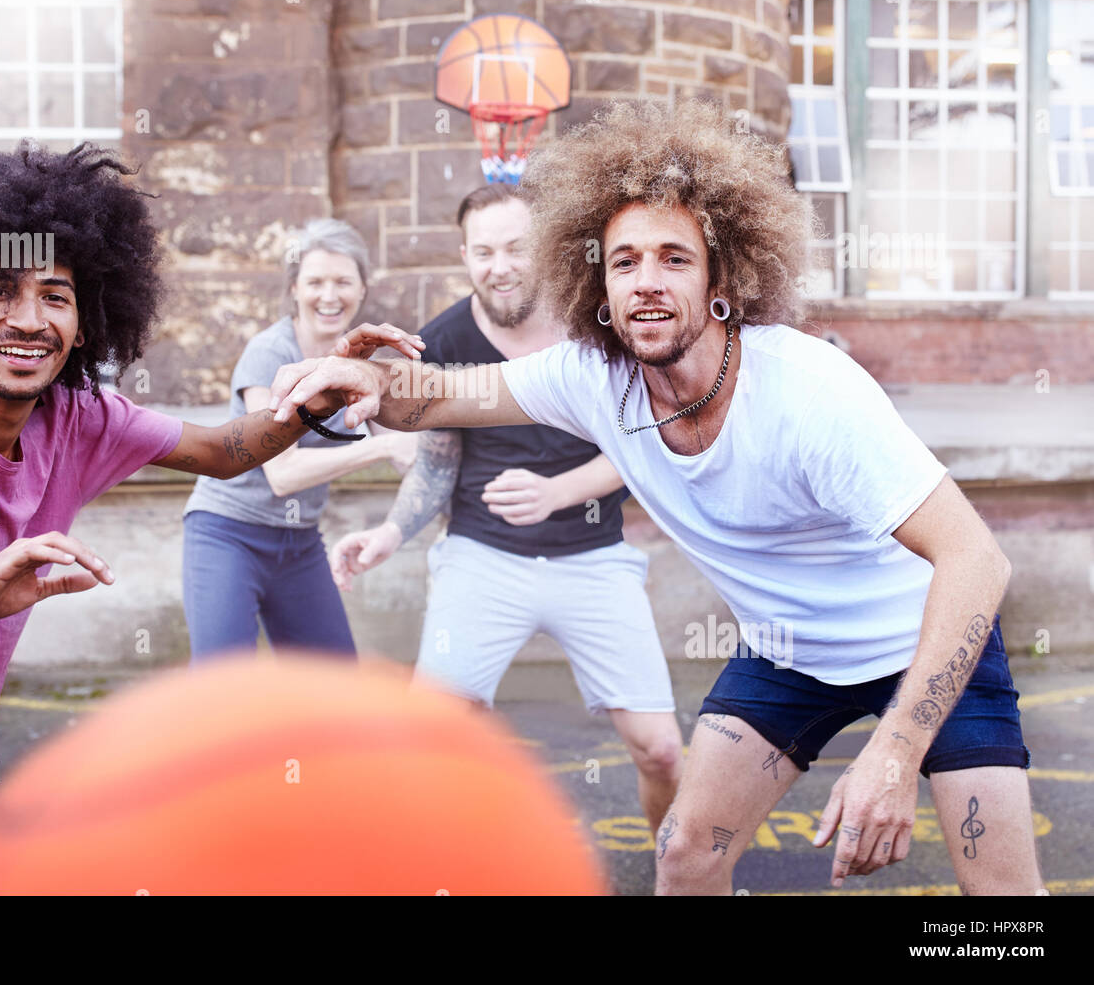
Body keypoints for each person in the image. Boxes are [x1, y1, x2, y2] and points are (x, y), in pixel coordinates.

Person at [269, 99, 1042, 897]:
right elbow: (434, 395)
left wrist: (895, 752)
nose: (646, 282)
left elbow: (977, 559)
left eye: (675, 258)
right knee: (684, 856)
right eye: (624, 261)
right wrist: (362, 377)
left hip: (927, 645)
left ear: (721, 279)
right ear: (597, 286)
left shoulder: (809, 393)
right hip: (788, 655)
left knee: (1003, 901)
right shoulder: (590, 377)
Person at [0, 143, 418, 896]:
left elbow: (224, 450)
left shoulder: (81, 420)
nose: (29, 320)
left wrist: (318, 394)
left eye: (55, 296)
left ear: (85, 324)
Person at [328, 183, 682, 835]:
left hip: (593, 557)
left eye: (517, 248)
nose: (501, 266)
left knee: (661, 751)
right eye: (484, 251)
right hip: (482, 558)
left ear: (543, 246)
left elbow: (645, 444)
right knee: (430, 740)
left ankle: (680, 870)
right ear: (465, 255)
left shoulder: (598, 328)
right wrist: (392, 533)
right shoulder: (439, 342)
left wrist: (559, 492)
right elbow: (437, 464)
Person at [181, 219, 416, 658]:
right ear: (294, 289)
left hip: (300, 540)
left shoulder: (363, 362)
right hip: (228, 534)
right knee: (224, 683)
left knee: (333, 682)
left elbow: (410, 449)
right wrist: (383, 448)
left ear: (362, 288)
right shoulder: (271, 352)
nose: (329, 295)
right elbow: (283, 474)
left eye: (343, 282)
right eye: (315, 282)